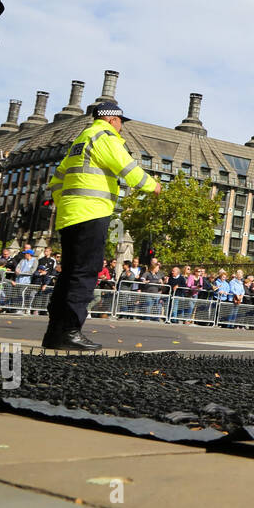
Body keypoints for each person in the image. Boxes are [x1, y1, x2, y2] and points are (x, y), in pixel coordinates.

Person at [42, 100, 160, 350]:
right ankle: (71, 331)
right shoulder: (105, 137)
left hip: (70, 215)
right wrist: (153, 186)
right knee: (85, 273)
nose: (121, 129)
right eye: (120, 123)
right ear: (111, 119)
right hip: (91, 212)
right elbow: (128, 168)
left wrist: (65, 205)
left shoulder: (81, 140)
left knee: (69, 275)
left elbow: (57, 180)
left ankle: (55, 333)